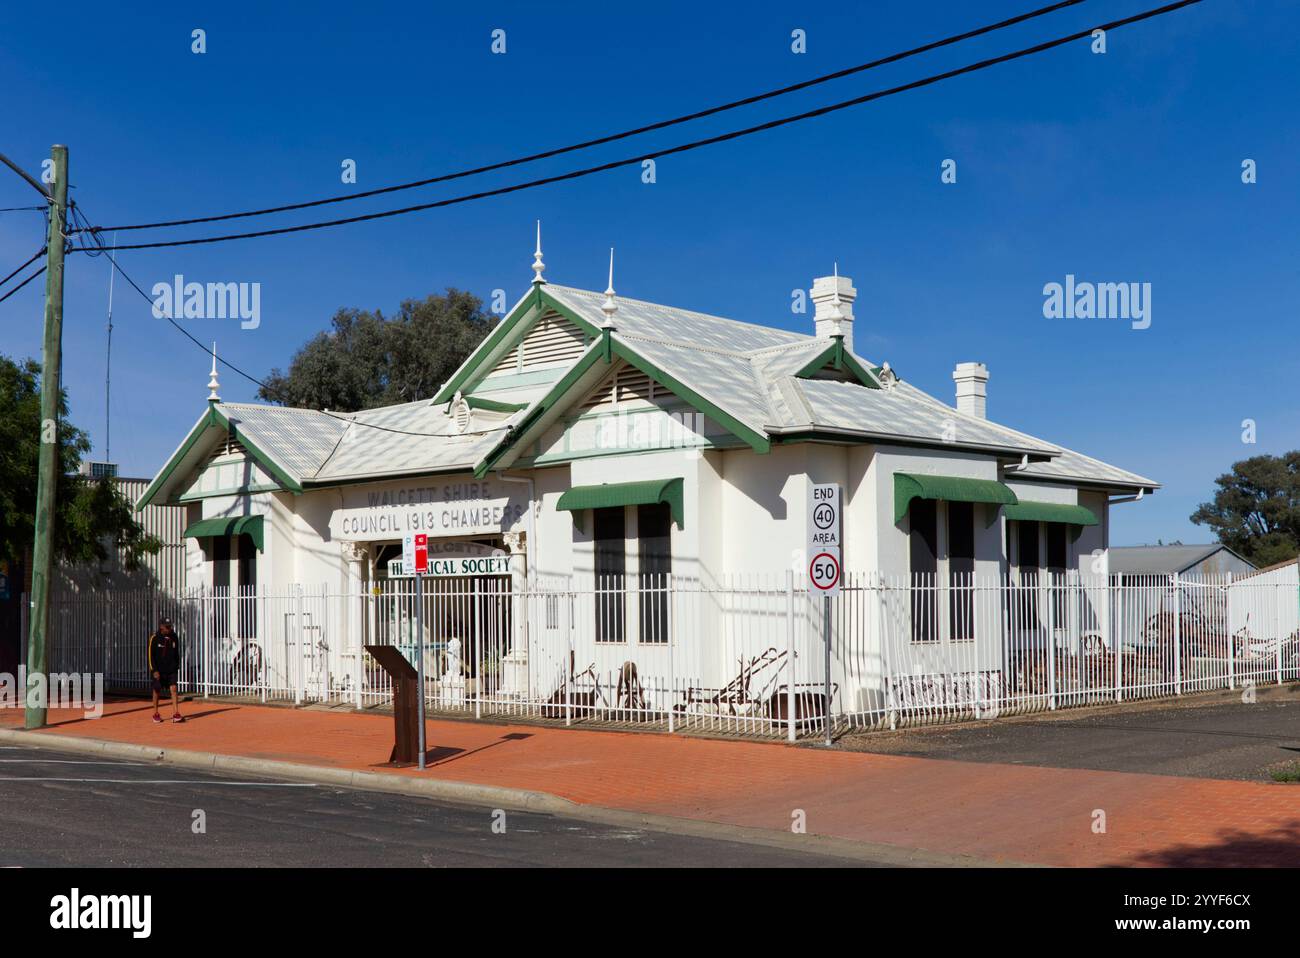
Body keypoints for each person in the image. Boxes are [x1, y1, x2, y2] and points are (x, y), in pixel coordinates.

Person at [148, 618, 184, 724]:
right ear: (161, 627)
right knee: (157, 690)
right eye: (167, 627)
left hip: (171, 669)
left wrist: (176, 666)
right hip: (158, 670)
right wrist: (154, 670)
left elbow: (176, 652)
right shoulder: (154, 638)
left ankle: (176, 713)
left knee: (173, 689)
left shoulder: (174, 637)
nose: (169, 628)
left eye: (170, 626)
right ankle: (155, 713)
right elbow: (151, 656)